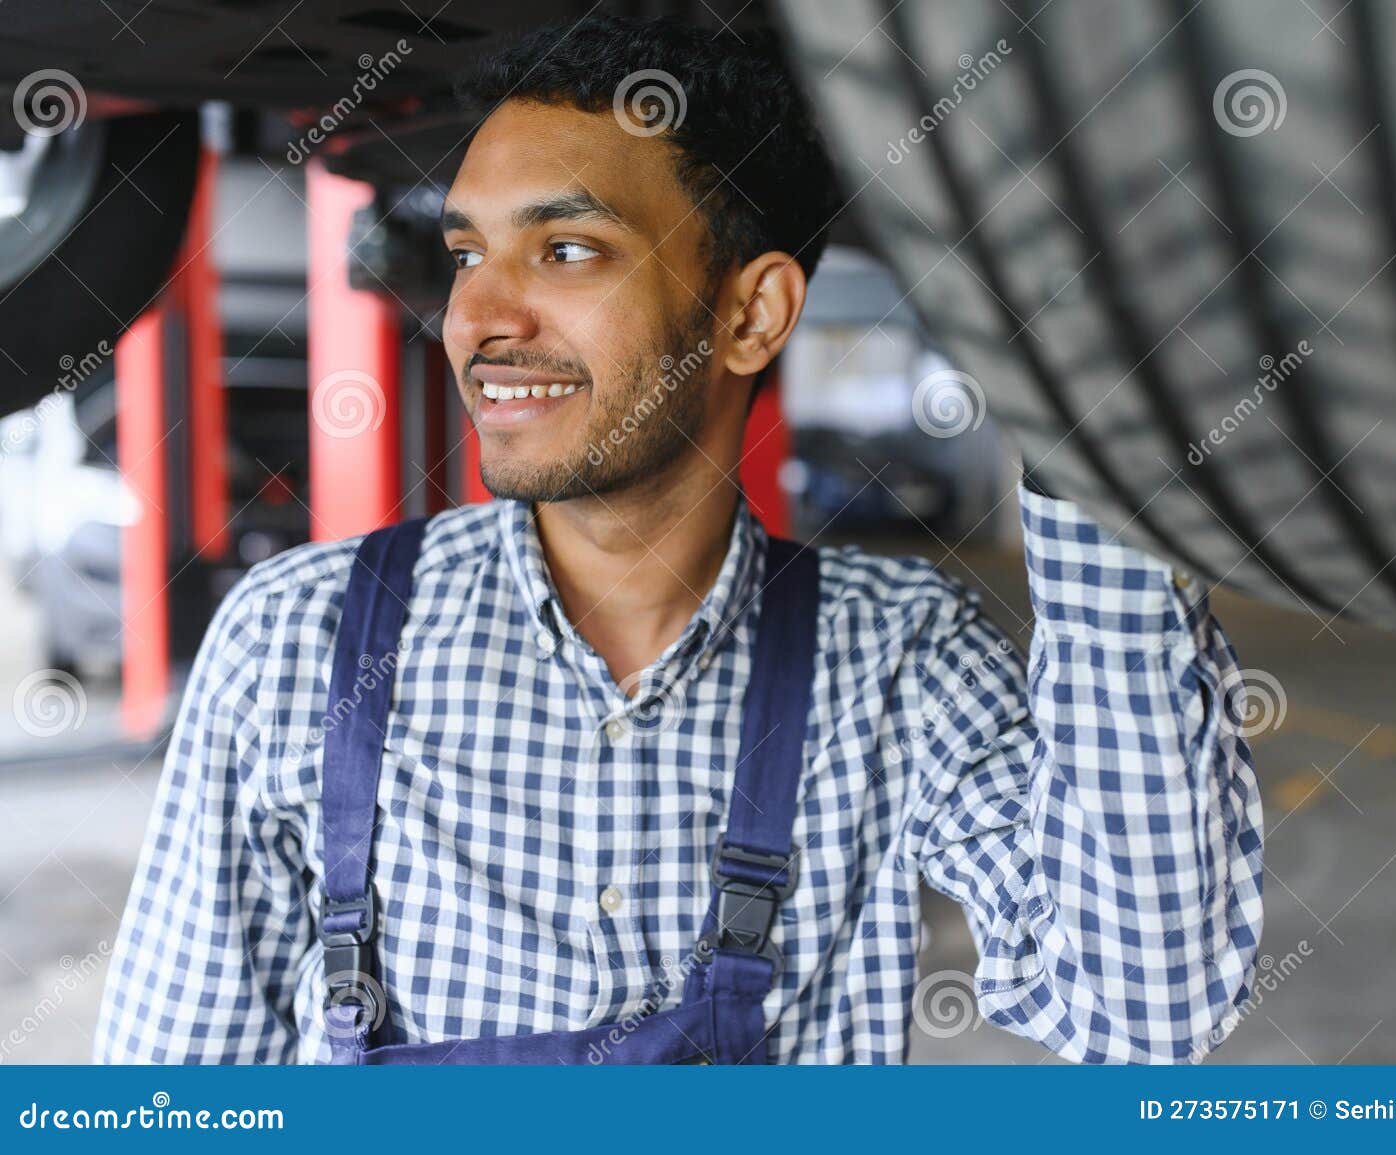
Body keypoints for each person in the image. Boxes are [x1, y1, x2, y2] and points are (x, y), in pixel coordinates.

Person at [94, 14, 1262, 1065]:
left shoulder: (898, 660)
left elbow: (1137, 1010)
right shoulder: (302, 646)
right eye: (464, 255)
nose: (479, 321)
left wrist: (1095, 437)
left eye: (564, 252)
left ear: (750, 313)